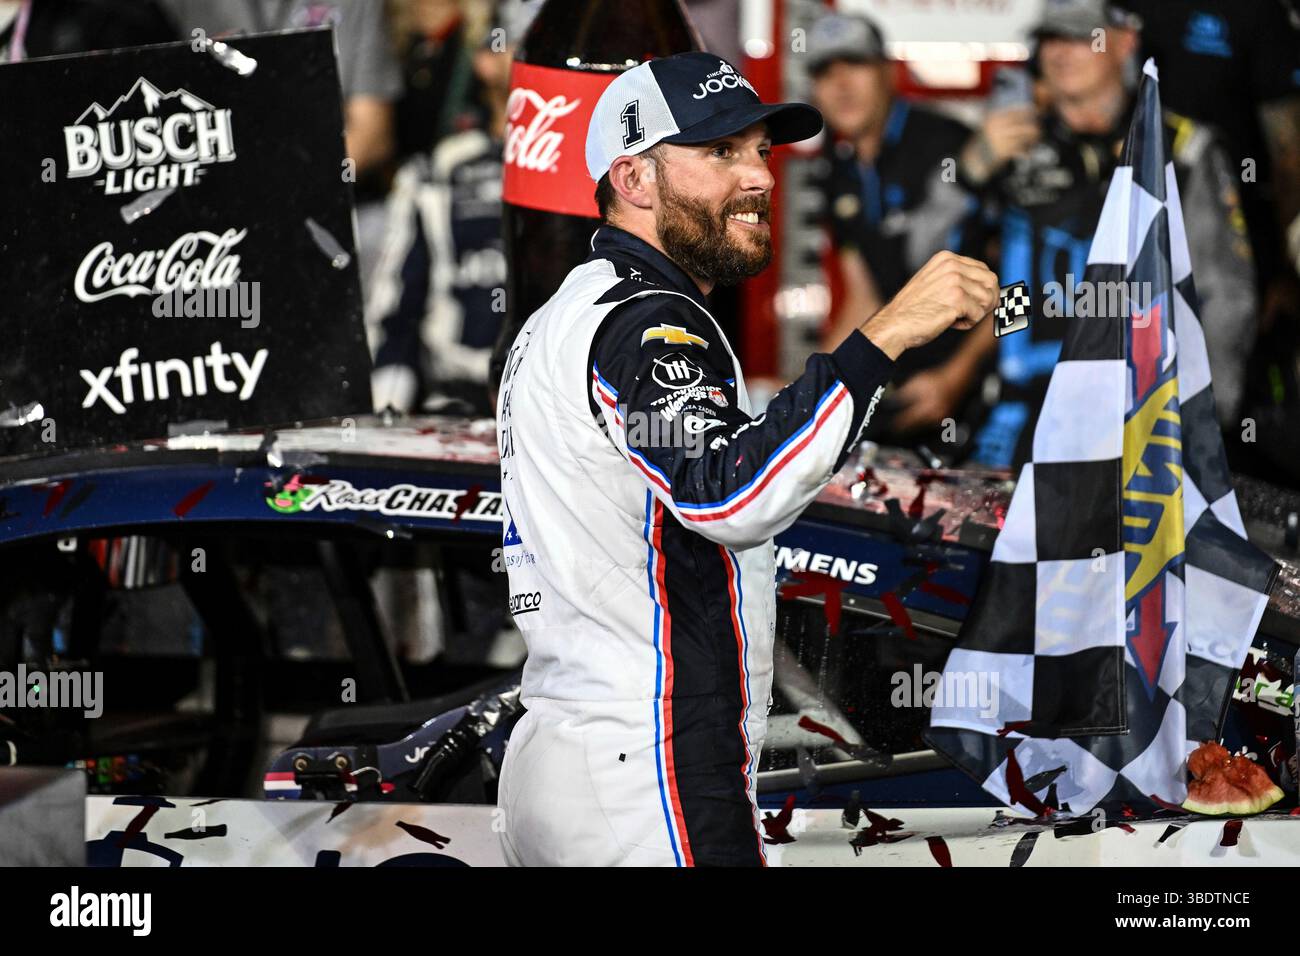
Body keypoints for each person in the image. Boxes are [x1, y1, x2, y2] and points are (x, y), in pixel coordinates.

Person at [494, 51, 998, 866]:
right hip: (645, 765)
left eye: (761, 151)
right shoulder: (647, 319)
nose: (760, 177)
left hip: (568, 755)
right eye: (720, 153)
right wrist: (887, 337)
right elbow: (729, 496)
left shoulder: (572, 312)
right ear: (635, 178)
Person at [950, 0, 1256, 470]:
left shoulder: (1182, 147)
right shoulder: (1010, 143)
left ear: (1125, 41)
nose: (1061, 53)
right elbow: (927, 261)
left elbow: (1227, 298)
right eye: (1050, 39)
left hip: (1140, 412)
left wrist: (1201, 424)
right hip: (1019, 410)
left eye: (1079, 37)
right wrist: (969, 171)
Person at [807, 11, 987, 444]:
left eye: (855, 64)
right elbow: (863, 296)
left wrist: (957, 376)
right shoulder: (838, 166)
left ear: (888, 72)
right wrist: (805, 394)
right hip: (901, 397)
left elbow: (1022, 283)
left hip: (981, 397)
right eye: (825, 71)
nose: (841, 85)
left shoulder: (950, 146)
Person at [368, 0, 535, 415]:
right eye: (527, 43)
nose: (543, 58)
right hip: (457, 402)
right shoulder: (437, 169)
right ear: (486, 60)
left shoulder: (600, 169)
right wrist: (387, 415)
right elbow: (396, 315)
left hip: (558, 407)